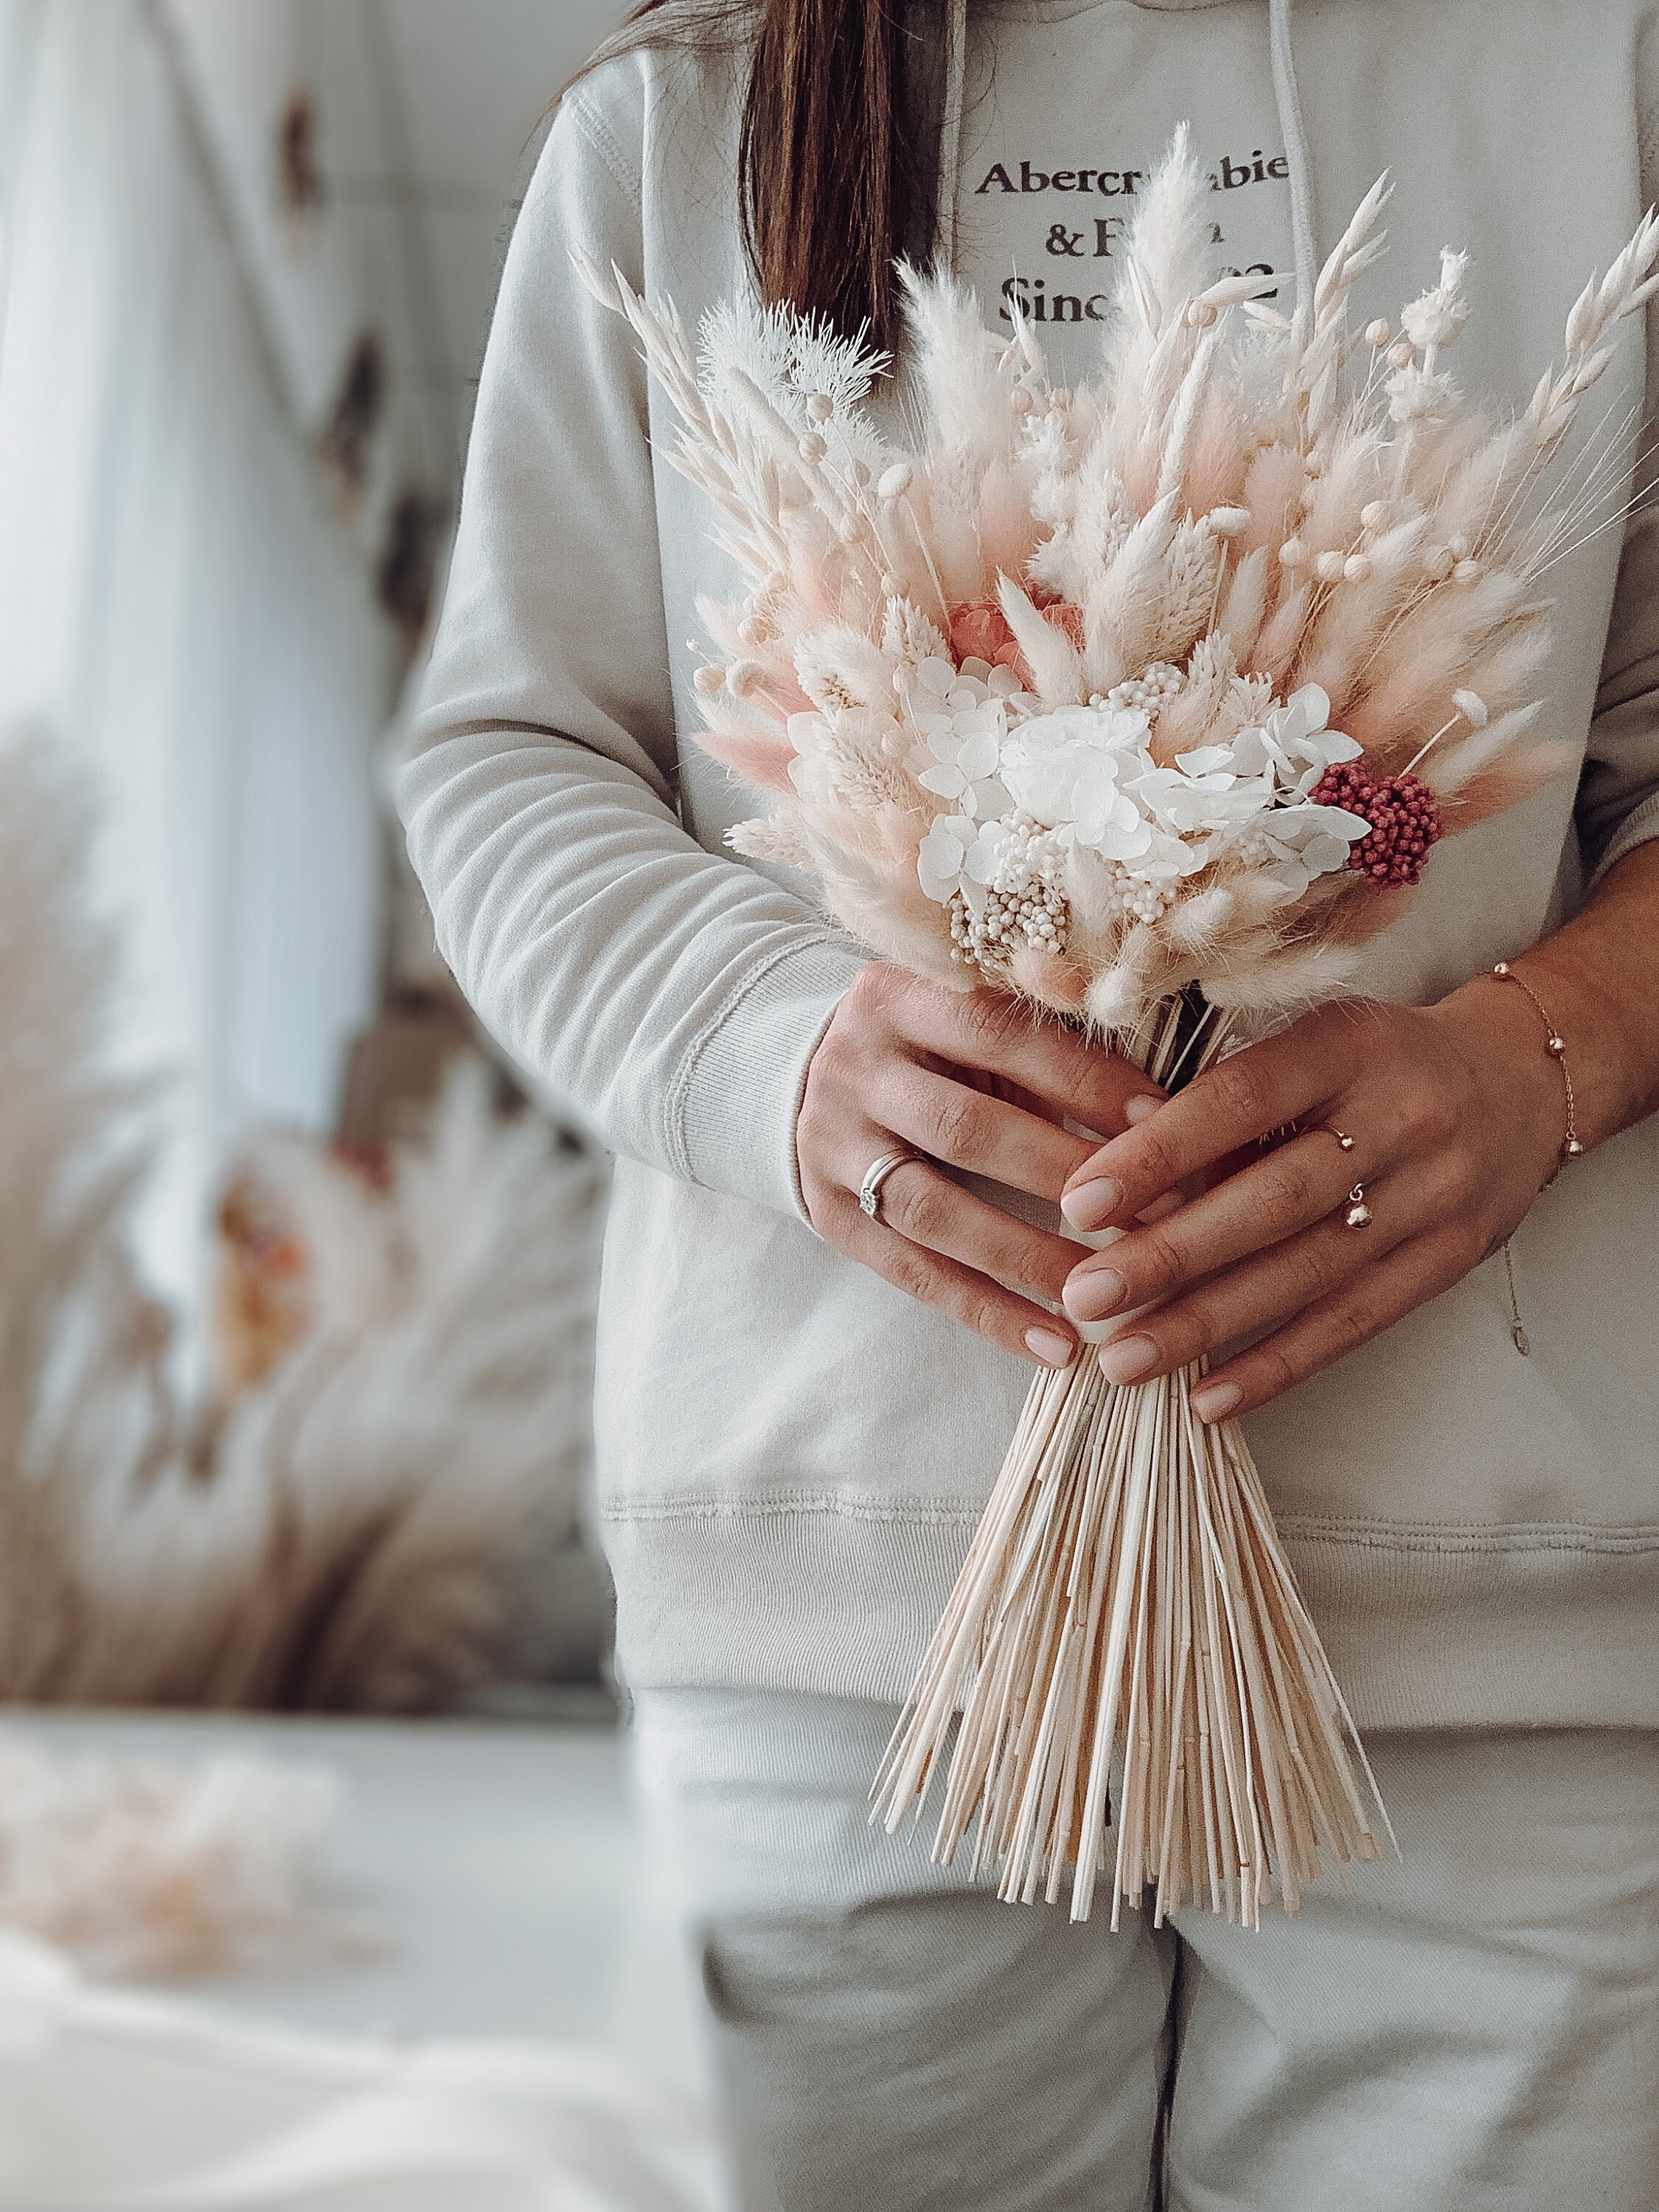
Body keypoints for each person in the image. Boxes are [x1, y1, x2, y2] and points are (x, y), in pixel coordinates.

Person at [397, 3, 1659, 2205]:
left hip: (1494, 1636)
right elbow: (510, 752)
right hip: (842, 1641)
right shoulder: (678, 124)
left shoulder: (1600, 72)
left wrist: (1529, 1057)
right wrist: (765, 1049)